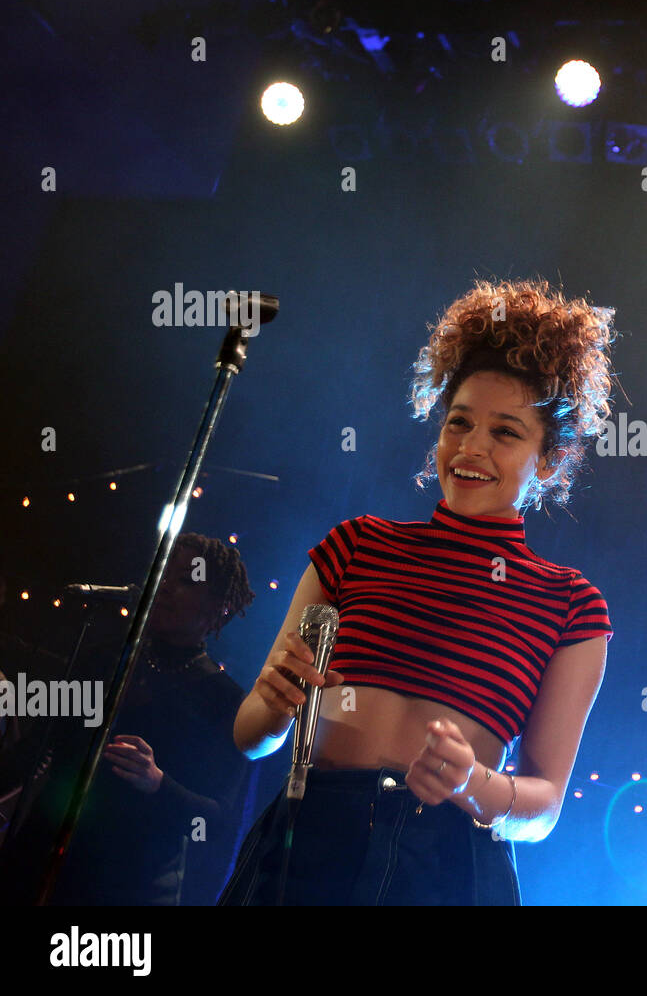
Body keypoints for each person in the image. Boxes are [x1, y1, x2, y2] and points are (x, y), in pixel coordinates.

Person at [219, 277, 619, 906]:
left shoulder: (570, 604)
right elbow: (251, 736)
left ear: (547, 461)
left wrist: (474, 785)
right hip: (305, 844)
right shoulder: (356, 545)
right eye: (458, 422)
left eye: (506, 432)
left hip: (447, 867)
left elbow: (543, 809)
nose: (471, 446)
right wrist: (273, 704)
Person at [2, 532, 254, 905]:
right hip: (37, 864)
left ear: (221, 607)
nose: (165, 586)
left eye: (186, 580)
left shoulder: (225, 701)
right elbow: (39, 746)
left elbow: (212, 826)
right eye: (164, 573)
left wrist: (158, 783)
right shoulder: (103, 659)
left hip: (127, 887)